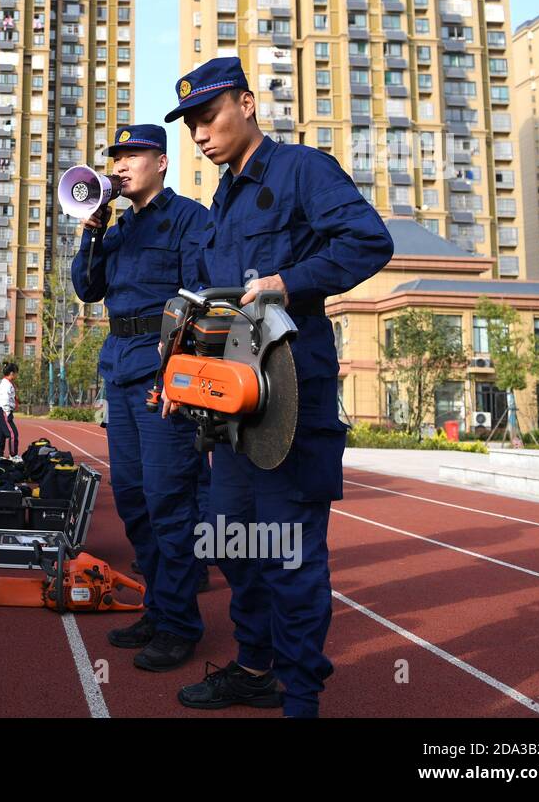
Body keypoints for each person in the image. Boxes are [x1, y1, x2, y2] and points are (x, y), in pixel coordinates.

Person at [165, 57, 393, 717]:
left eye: (209, 117)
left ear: (247, 103)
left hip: (291, 399)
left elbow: (367, 241)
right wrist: (178, 373)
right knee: (232, 538)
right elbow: (216, 304)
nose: (200, 134)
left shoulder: (302, 171)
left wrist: (288, 282)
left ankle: (300, 698)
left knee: (289, 551)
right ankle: (255, 666)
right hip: (231, 402)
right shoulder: (223, 199)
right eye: (191, 126)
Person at [70, 122, 211, 674]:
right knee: (132, 497)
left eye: (134, 155)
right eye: (117, 157)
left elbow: (201, 303)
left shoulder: (190, 220)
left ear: (162, 162)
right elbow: (87, 288)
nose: (121, 166)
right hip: (119, 368)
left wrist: (180, 374)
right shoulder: (117, 227)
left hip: (162, 370)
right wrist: (93, 231)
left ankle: (180, 625)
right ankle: (159, 607)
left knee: (169, 500)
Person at [0, 362, 20, 458]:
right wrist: (8, 412)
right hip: (4, 410)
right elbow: (5, 398)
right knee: (12, 434)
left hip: (0, 410)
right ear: (12, 373)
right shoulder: (6, 384)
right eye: (16, 373)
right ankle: (13, 455)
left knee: (0, 434)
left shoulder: (7, 383)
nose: (17, 375)